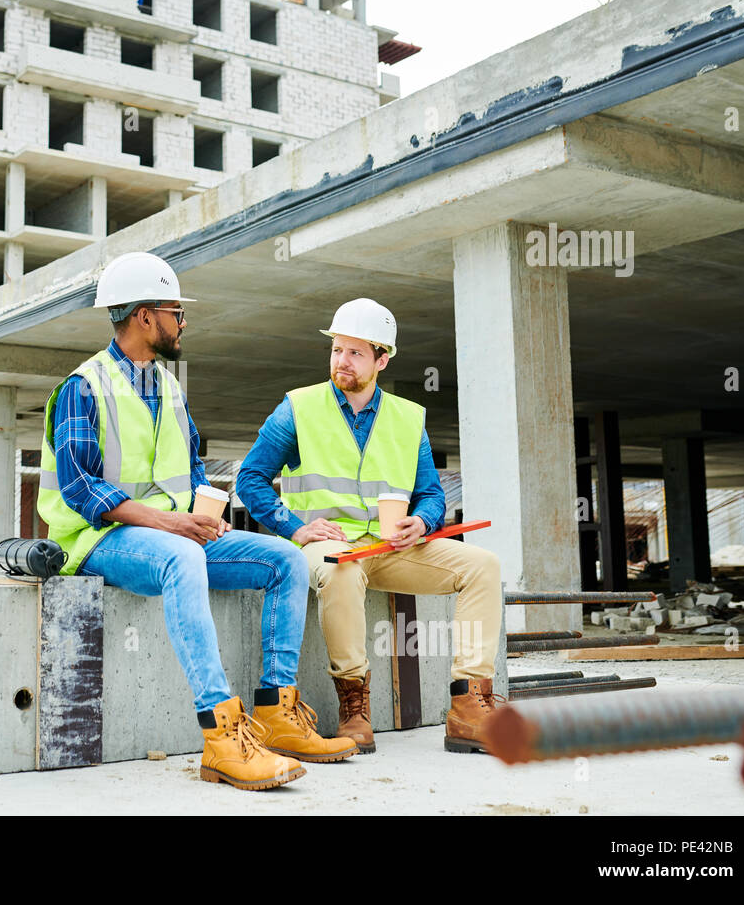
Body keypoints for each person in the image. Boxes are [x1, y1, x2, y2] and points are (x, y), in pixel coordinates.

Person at [38, 252, 357, 790]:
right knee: (184, 555)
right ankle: (222, 736)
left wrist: (205, 517)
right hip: (98, 540)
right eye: (175, 312)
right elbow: (80, 487)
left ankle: (276, 712)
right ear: (144, 317)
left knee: (284, 560)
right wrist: (173, 527)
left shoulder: (169, 386)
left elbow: (187, 469)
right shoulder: (84, 387)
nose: (183, 322)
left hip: (170, 536)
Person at [236, 299, 504, 754]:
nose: (342, 361)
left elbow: (432, 493)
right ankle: (354, 706)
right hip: (330, 547)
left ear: (382, 360)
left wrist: (422, 520)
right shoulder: (297, 408)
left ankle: (469, 705)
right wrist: (296, 528)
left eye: (355, 353)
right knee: (340, 571)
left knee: (483, 565)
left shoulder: (407, 417)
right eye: (337, 349)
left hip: (391, 547)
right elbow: (250, 478)